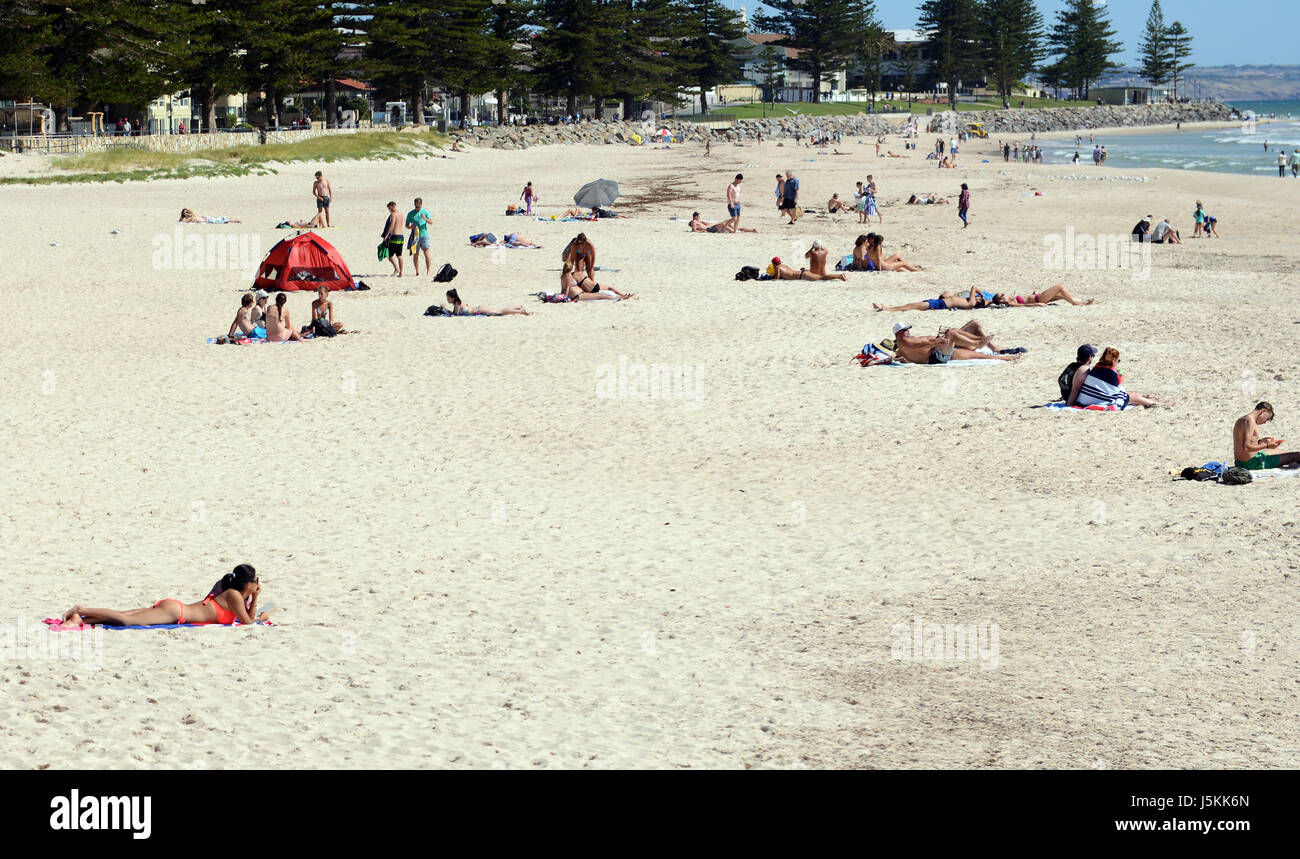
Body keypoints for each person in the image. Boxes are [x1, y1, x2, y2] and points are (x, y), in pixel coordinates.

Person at [58, 564, 269, 628]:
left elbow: (245, 616)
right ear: (249, 584)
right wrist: (259, 611)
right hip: (175, 612)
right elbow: (247, 621)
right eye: (256, 581)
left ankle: (81, 620)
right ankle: (81, 610)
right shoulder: (233, 595)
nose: (258, 583)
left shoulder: (234, 595)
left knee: (123, 615)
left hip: (175, 608)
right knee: (126, 620)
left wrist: (253, 599)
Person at [1069, 347, 1172, 408]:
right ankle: (1160, 404)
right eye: (1118, 360)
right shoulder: (1111, 373)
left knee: (1131, 395)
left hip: (1086, 398)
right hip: (1095, 399)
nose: (1118, 363)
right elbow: (1117, 386)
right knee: (1132, 397)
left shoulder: (1096, 367)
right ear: (1113, 360)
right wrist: (1120, 377)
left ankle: (1151, 399)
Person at [889, 323, 1018, 364]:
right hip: (936, 357)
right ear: (899, 333)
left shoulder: (904, 343)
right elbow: (924, 343)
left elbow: (907, 354)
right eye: (906, 330)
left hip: (937, 353)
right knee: (951, 332)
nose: (908, 332)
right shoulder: (904, 341)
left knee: (955, 331)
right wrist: (940, 340)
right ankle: (978, 343)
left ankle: (1005, 356)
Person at [1233, 401, 1300, 470]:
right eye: (1267, 418)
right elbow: (1246, 447)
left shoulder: (1242, 419)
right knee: (1295, 455)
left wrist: (1259, 442)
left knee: (1280, 451)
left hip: (1240, 462)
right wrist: (1267, 445)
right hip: (1252, 463)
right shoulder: (1250, 421)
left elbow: (1242, 444)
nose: (1265, 422)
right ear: (1263, 411)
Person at [560, 262, 632, 300]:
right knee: (601, 296)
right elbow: (567, 288)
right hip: (578, 295)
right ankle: (621, 297)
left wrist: (562, 295)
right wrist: (565, 298)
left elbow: (563, 288)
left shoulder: (563, 276)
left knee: (601, 295)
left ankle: (622, 296)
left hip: (580, 293)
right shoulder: (568, 276)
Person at [446, 288, 529, 316]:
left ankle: (520, 311)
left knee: (499, 312)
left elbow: (454, 315)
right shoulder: (457, 302)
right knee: (499, 311)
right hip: (478, 309)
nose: (447, 300)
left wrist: (445, 309)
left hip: (478, 311)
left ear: (453, 298)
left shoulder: (457, 304)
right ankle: (518, 308)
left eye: (448, 298)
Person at [405, 197, 433, 276]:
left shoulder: (425, 212)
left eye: (419, 207)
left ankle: (428, 270)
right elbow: (406, 224)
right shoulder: (410, 213)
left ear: (421, 205)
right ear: (414, 205)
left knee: (426, 252)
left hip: (424, 235)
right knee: (416, 253)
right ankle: (417, 271)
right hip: (415, 236)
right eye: (416, 207)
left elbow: (431, 222)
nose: (418, 208)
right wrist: (410, 227)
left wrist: (425, 218)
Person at [766, 255, 846, 282]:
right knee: (822, 276)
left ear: (774, 263)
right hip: (802, 272)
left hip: (803, 275)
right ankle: (839, 276)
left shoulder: (777, 267)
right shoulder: (784, 265)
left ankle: (839, 276)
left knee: (822, 278)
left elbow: (776, 278)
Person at [381, 201, 405, 276]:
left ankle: (396, 269)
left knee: (389, 255)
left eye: (389, 208)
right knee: (399, 255)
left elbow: (392, 225)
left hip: (395, 237)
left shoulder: (393, 214)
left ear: (392, 206)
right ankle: (401, 272)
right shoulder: (401, 214)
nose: (389, 210)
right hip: (401, 236)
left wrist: (387, 235)